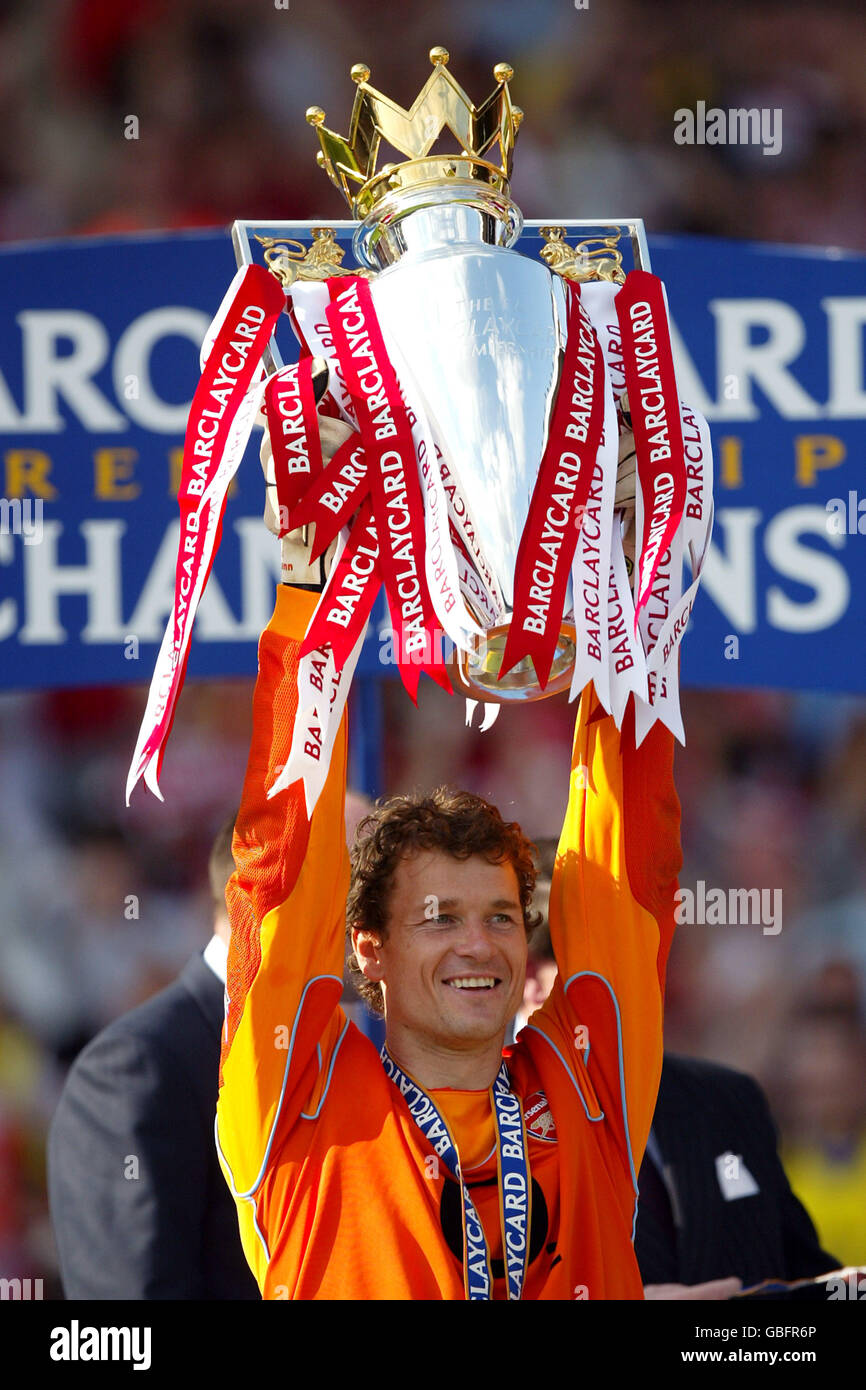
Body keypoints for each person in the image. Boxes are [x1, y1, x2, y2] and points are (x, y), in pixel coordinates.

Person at [215, 409, 681, 1300]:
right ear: (369, 951)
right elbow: (278, 869)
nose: (482, 944)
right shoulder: (298, 1101)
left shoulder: (589, 1081)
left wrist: (624, 588)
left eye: (503, 916)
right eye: (442, 919)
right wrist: (313, 589)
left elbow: (633, 867)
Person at [519, 871, 839, 1300]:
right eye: (604, 951)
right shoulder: (479, 1131)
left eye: (647, 945)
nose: (640, 969)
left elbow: (812, 1278)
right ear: (532, 980)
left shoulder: (728, 1101)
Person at [47, 817, 259, 1300]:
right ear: (255, 895)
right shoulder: (136, 1069)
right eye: (353, 878)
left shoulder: (345, 1056)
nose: (375, 905)